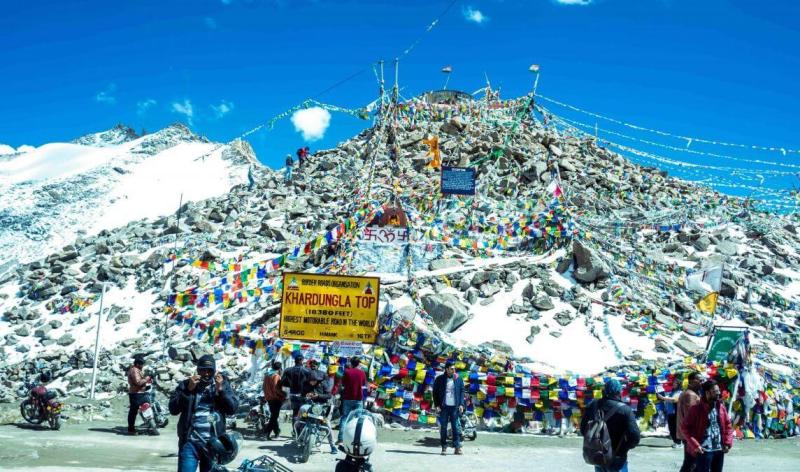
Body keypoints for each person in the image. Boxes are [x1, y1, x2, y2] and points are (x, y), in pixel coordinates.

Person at [168, 354, 239, 472]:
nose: (206, 374)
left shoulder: (222, 384)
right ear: (197, 370)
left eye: (209, 371)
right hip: (190, 442)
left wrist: (220, 391)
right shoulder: (186, 384)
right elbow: (173, 409)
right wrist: (188, 390)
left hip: (214, 444)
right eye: (203, 370)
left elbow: (232, 409)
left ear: (214, 371)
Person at [579, 379, 641, 472]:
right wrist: (625, 448)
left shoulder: (593, 405)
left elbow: (583, 429)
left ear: (605, 390)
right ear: (619, 391)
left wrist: (596, 441)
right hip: (617, 455)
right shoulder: (625, 410)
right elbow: (635, 436)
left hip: (598, 454)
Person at [679, 380, 733, 472]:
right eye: (715, 391)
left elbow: (728, 425)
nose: (718, 393)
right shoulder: (696, 409)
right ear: (707, 393)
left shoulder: (721, 407)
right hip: (704, 450)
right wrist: (695, 445)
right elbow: (684, 428)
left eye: (718, 391)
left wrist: (727, 443)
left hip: (719, 449)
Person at [299, 365, 337, 454]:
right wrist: (306, 396)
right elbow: (302, 395)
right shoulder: (305, 384)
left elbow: (329, 395)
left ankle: (333, 446)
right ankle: (299, 435)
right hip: (308, 406)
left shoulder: (323, 384)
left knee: (327, 425)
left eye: (314, 380)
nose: (312, 382)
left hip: (320, 407)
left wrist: (318, 396)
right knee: (300, 418)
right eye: (311, 381)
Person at [432, 360, 464, 455]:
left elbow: (462, 391)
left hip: (455, 407)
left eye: (454, 368)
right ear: (447, 369)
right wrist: (437, 405)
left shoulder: (458, 379)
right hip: (444, 407)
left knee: (456, 427)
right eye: (451, 369)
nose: (454, 370)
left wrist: (461, 404)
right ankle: (444, 447)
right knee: (444, 427)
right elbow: (435, 393)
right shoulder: (439, 379)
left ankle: (457, 447)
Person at [677, 372, 705, 472]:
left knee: (691, 462)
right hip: (691, 435)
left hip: (688, 434)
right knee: (690, 463)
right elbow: (691, 417)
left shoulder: (689, 393)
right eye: (700, 380)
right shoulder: (690, 395)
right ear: (692, 381)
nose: (702, 382)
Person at [337, 357, 367, 444]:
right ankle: (356, 440)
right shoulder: (362, 373)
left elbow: (342, 385)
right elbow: (363, 386)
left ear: (351, 363)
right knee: (358, 420)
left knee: (345, 418)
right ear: (358, 363)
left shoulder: (347, 372)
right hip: (358, 399)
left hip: (347, 398)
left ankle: (340, 439)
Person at [127, 354, 152, 435]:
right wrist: (146, 379)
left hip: (138, 393)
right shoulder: (134, 370)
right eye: (141, 364)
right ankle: (131, 429)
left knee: (134, 411)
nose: (142, 366)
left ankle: (146, 423)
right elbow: (138, 382)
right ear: (137, 364)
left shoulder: (137, 370)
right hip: (136, 394)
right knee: (133, 411)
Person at [281, 353, 309, 421]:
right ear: (301, 360)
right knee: (304, 412)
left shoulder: (288, 370)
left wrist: (290, 385)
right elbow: (309, 383)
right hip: (303, 395)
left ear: (295, 361)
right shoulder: (306, 371)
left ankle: (294, 430)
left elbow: (282, 382)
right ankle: (301, 428)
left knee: (295, 412)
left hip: (293, 393)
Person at [262, 360, 286, 440]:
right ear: (279, 369)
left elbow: (263, 387)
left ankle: (277, 432)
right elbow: (276, 388)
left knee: (274, 415)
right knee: (274, 416)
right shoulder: (276, 376)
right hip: (276, 398)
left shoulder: (267, 375)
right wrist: (284, 394)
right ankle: (266, 433)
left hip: (269, 397)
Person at [657, 377, 682, 447]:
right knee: (671, 428)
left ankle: (678, 442)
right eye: (673, 383)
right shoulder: (673, 391)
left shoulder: (680, 392)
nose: (673, 384)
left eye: (675, 383)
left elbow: (674, 400)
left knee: (675, 428)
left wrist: (663, 398)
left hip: (675, 413)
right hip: (670, 412)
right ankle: (675, 441)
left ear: (678, 384)